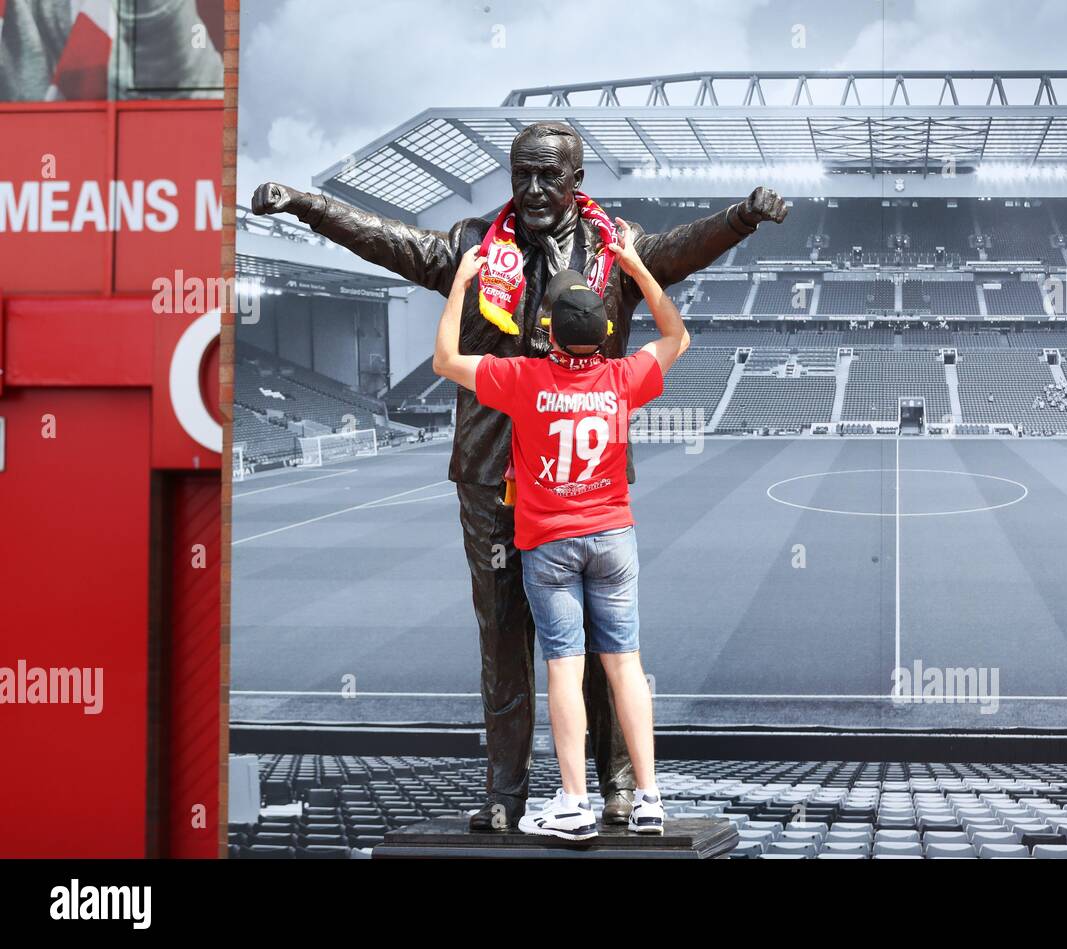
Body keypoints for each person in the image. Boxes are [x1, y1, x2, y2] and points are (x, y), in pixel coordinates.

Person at [252, 122, 787, 831]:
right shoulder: (476, 244)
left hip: (578, 484)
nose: (532, 190)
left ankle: (617, 786)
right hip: (491, 472)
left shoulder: (613, 246)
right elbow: (387, 240)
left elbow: (680, 250)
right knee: (501, 637)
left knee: (601, 643)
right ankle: (505, 793)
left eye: (547, 177)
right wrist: (309, 204)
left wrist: (740, 217)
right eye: (521, 175)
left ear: (576, 181)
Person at [433, 218, 686, 840]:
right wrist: (633, 264)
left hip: (547, 544)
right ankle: (649, 796)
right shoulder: (623, 378)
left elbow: (444, 361)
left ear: (546, 332)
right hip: (613, 538)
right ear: (603, 331)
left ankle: (574, 801)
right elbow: (676, 334)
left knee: (565, 670)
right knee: (625, 665)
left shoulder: (523, 380)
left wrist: (461, 284)